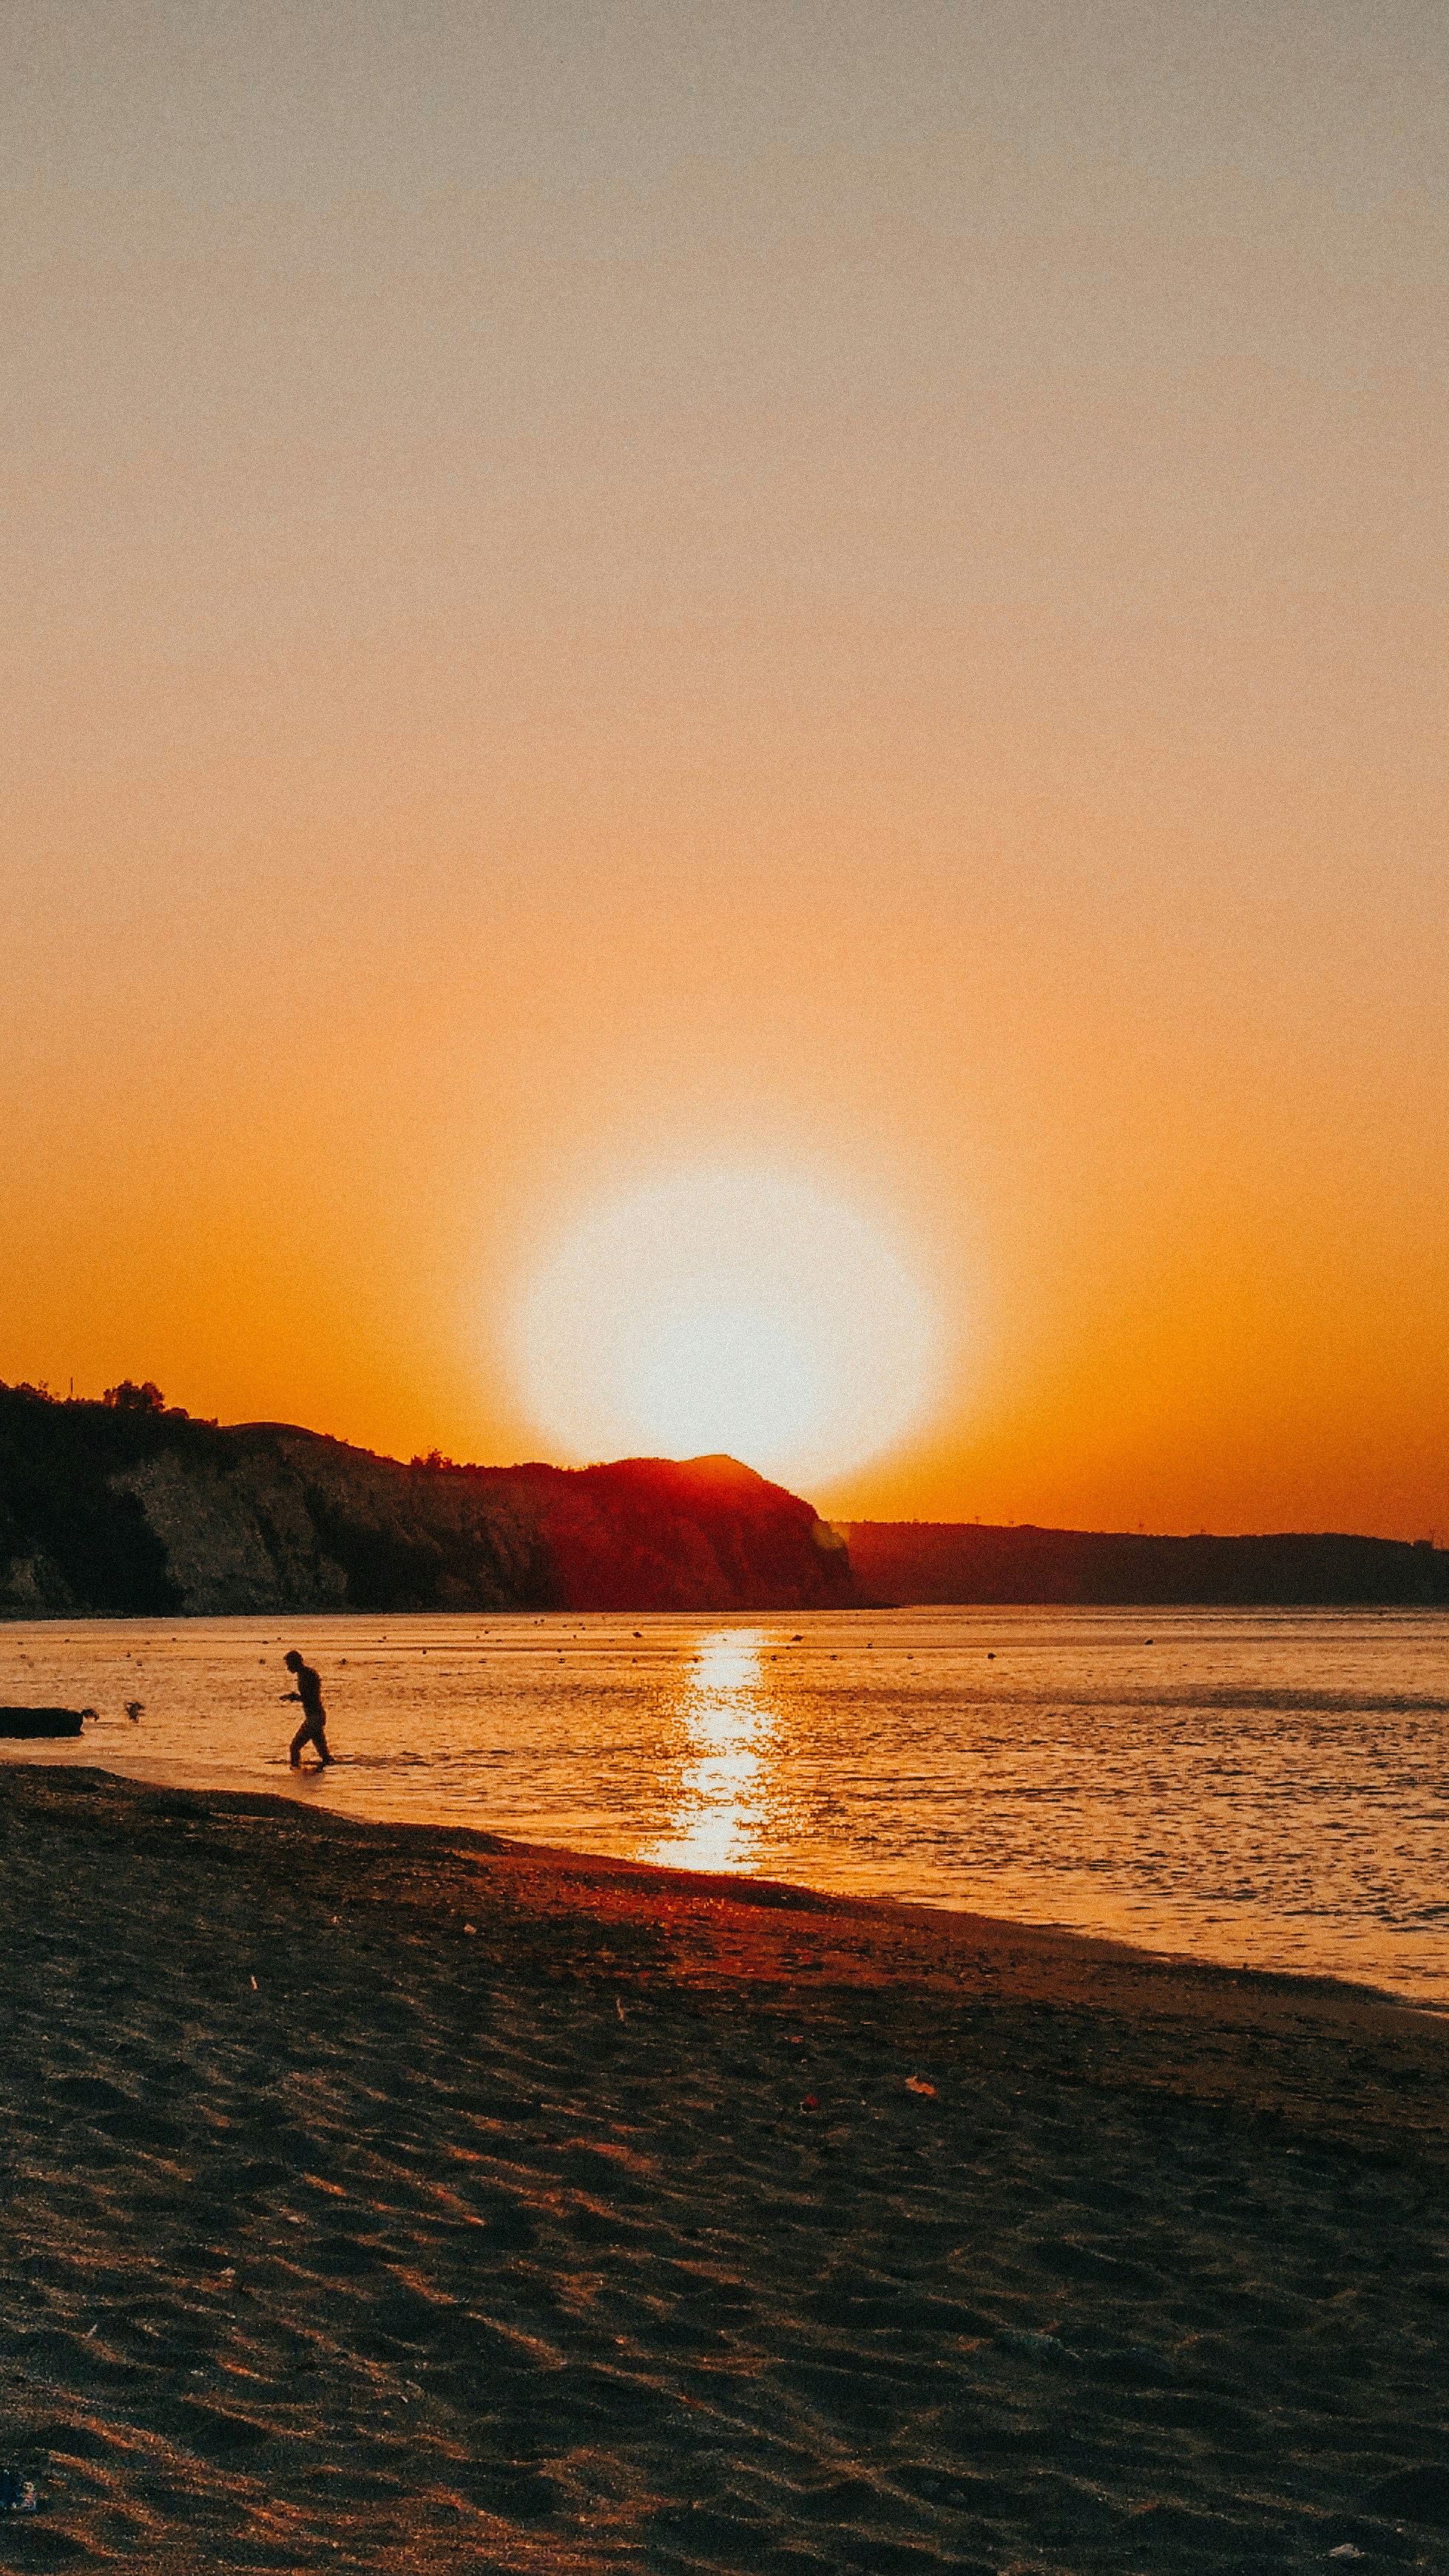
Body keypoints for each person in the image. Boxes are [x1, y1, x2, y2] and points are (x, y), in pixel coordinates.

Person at [281, 1649, 334, 1767]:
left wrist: (295, 1697)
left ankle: (296, 1771)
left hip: (314, 1718)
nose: (288, 1668)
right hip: (316, 1716)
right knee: (325, 1755)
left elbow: (310, 1698)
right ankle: (325, 1775)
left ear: (295, 1663)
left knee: (294, 1747)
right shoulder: (307, 1673)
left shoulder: (305, 1676)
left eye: (289, 1664)